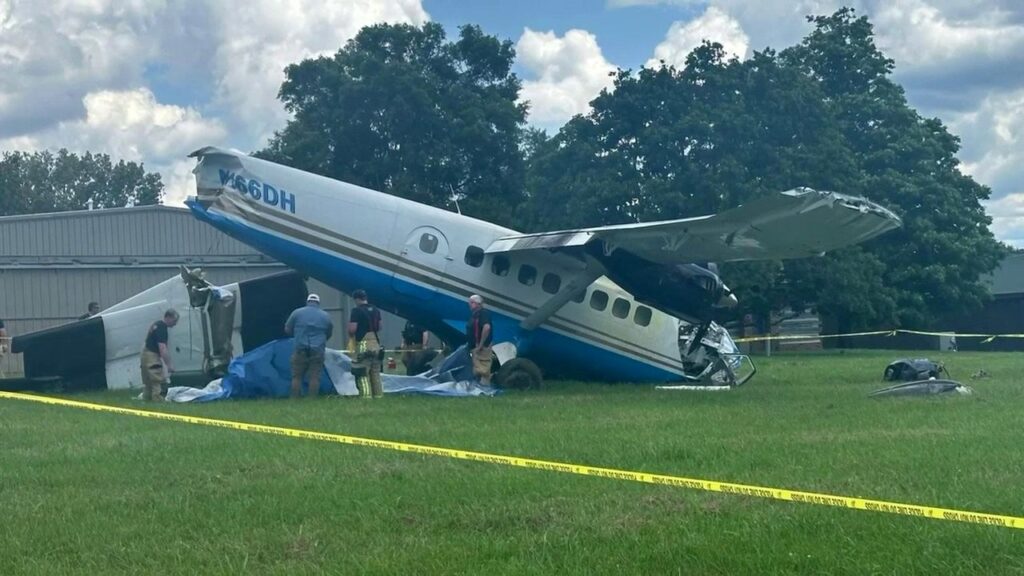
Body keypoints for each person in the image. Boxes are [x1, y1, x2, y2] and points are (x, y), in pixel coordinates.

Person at [284, 293, 333, 398]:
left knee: (297, 377)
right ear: (318, 303)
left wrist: (297, 336)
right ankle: (312, 400)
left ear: (307, 302)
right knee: (314, 377)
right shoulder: (325, 316)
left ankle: (295, 399)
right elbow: (328, 333)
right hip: (317, 350)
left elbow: (287, 329)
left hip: (300, 349)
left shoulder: (297, 313)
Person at [348, 289, 383, 398]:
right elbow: (380, 327)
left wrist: (350, 335)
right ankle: (378, 396)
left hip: (363, 343)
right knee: (375, 372)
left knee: (362, 371)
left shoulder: (356, 311)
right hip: (376, 342)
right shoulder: (376, 310)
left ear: (357, 299)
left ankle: (366, 397)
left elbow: (352, 329)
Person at [140, 309, 179, 402]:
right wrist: (169, 365)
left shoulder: (156, 324)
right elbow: (162, 348)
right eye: (174, 321)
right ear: (168, 317)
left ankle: (147, 398)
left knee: (148, 381)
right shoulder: (162, 328)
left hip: (145, 353)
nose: (175, 324)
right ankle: (158, 400)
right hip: (151, 355)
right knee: (156, 378)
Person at [466, 294, 493, 385]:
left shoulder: (483, 313)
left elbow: (486, 327)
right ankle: (478, 385)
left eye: (471, 302)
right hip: (476, 346)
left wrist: (481, 345)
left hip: (482, 347)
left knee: (483, 368)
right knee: (477, 367)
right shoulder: (475, 314)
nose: (469, 305)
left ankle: (484, 386)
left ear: (478, 303)